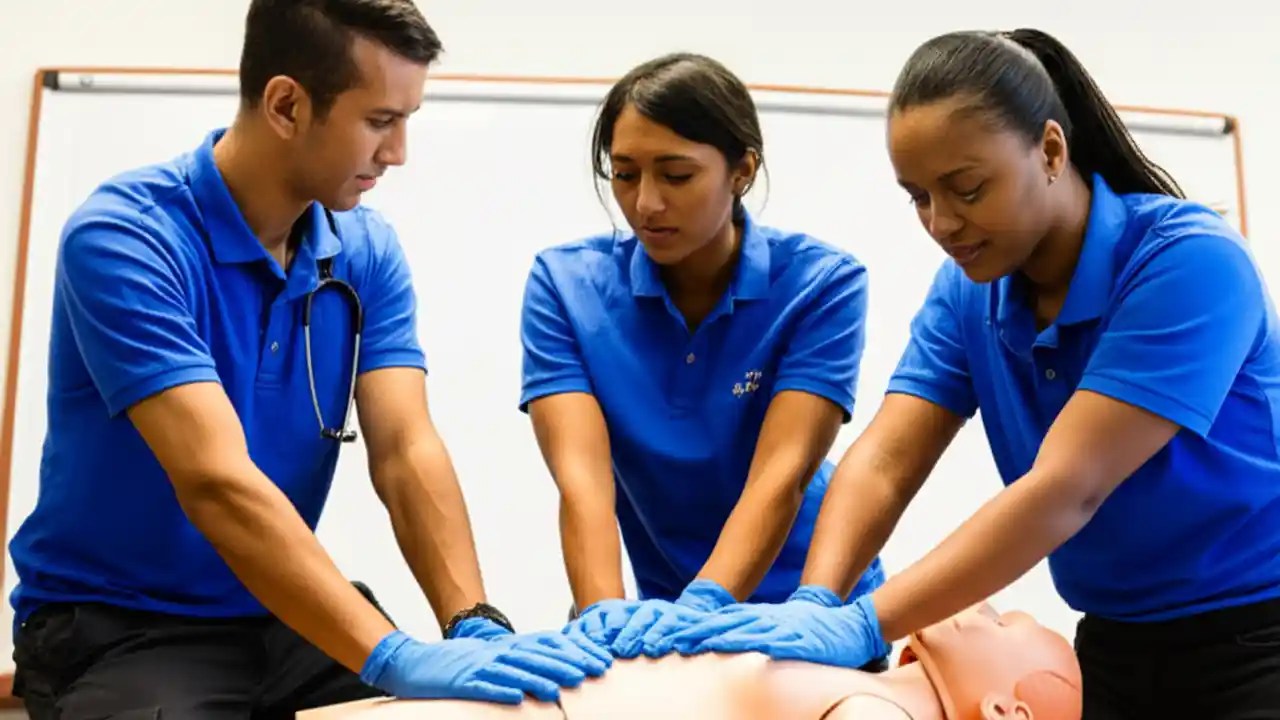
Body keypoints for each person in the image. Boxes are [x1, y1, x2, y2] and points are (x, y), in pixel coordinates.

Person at [657, 28, 1280, 720]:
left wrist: (866, 624)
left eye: (966, 189)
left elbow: (1065, 490)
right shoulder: (970, 293)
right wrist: (816, 601)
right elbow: (888, 458)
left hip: (1257, 639)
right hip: (1115, 645)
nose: (942, 223)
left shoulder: (1185, 262)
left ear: (1049, 150)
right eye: (919, 197)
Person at [6, 1, 606, 717]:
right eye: (381, 122)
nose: (399, 153)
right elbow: (216, 482)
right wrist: (391, 655)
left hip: (279, 612)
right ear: (287, 104)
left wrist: (470, 619)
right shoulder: (128, 240)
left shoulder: (365, 251)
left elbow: (405, 449)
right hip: (126, 626)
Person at [517, 52, 885, 662]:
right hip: (659, 617)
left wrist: (707, 607)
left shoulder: (821, 284)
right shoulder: (565, 284)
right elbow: (582, 483)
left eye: (677, 175)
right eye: (626, 174)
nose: (646, 204)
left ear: (742, 170)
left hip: (809, 612)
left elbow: (782, 475)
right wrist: (603, 621)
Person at [299, 601, 1082, 719]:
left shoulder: (878, 706)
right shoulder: (865, 692)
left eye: (1009, 620)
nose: (988, 604)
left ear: (1008, 713)